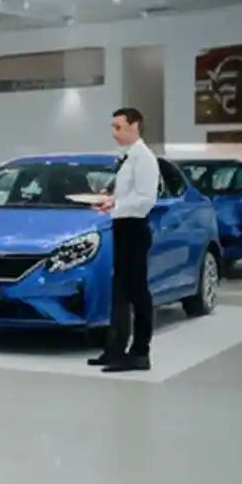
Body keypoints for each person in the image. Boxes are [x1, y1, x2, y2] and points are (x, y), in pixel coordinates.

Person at [90, 107, 159, 373]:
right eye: (113, 127)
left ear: (135, 126)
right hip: (122, 227)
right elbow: (127, 194)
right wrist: (111, 199)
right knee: (119, 292)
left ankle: (141, 351)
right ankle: (115, 348)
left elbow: (145, 200)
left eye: (118, 127)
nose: (114, 133)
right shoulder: (127, 158)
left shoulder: (144, 159)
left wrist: (114, 206)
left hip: (134, 229)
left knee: (137, 292)